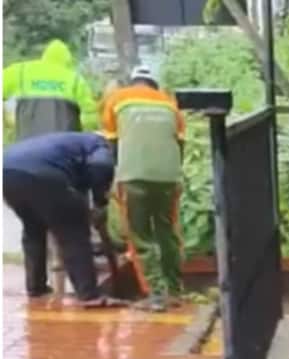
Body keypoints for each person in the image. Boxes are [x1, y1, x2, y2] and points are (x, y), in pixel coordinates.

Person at [3, 132, 124, 307]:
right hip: (43, 173)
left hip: (7, 173)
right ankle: (89, 295)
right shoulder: (97, 142)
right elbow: (101, 165)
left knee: (33, 229)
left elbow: (79, 180)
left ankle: (36, 287)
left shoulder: (65, 143)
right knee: (74, 233)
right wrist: (100, 202)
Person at [101, 65, 185, 312]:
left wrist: (114, 178)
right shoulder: (170, 104)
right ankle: (175, 290)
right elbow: (180, 145)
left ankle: (156, 296)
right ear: (154, 85)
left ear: (133, 82)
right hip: (169, 178)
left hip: (134, 177)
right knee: (167, 232)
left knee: (139, 237)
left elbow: (111, 143)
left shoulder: (117, 99)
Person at [2, 39, 98, 140]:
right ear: (69, 60)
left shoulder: (21, 72)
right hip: (63, 146)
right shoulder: (75, 80)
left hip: (27, 145)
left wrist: (8, 118)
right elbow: (89, 116)